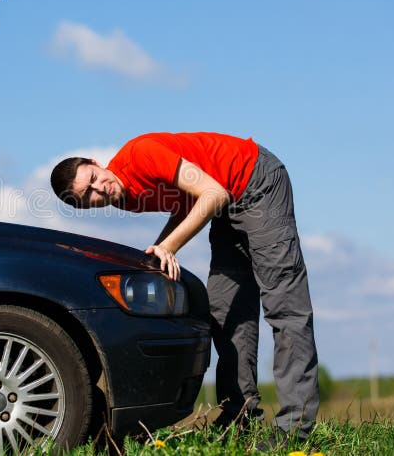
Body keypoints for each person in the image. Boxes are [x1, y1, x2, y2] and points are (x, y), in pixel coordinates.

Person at [50, 132, 318, 441]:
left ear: (96, 163)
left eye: (94, 177)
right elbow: (187, 203)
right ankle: (240, 419)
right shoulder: (123, 197)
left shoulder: (141, 154)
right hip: (225, 205)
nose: (100, 188)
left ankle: (296, 429)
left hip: (256, 181)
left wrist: (168, 247)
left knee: (285, 307)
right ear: (87, 208)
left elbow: (212, 193)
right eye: (89, 196)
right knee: (223, 310)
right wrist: (155, 253)